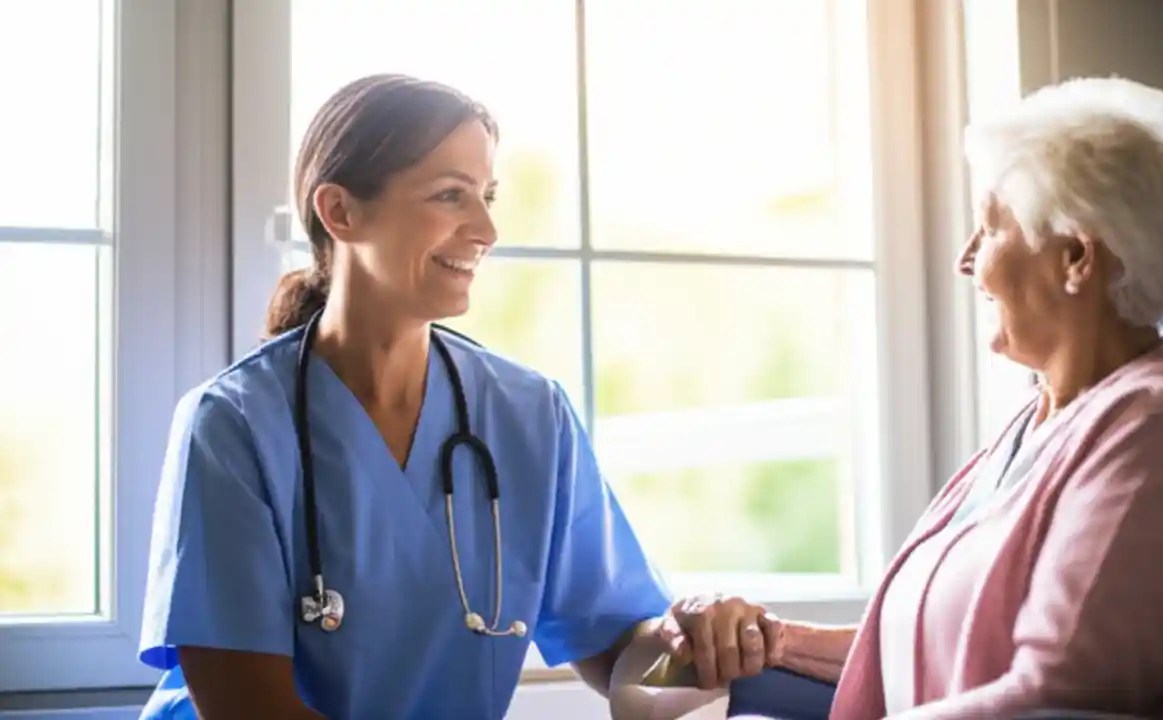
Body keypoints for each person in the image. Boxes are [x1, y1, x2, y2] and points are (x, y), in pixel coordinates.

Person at [136, 74, 776, 719]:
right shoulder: (234, 423)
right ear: (341, 212)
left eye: (488, 196)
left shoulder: (529, 416)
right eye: (451, 196)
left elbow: (619, 656)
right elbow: (247, 710)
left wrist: (699, 638)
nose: (487, 228)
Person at [656, 76, 1163, 718]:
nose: (966, 261)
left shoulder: (1158, 437)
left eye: (988, 230)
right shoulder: (1043, 420)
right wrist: (769, 641)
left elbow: (1054, 699)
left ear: (1074, 258)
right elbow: (921, 655)